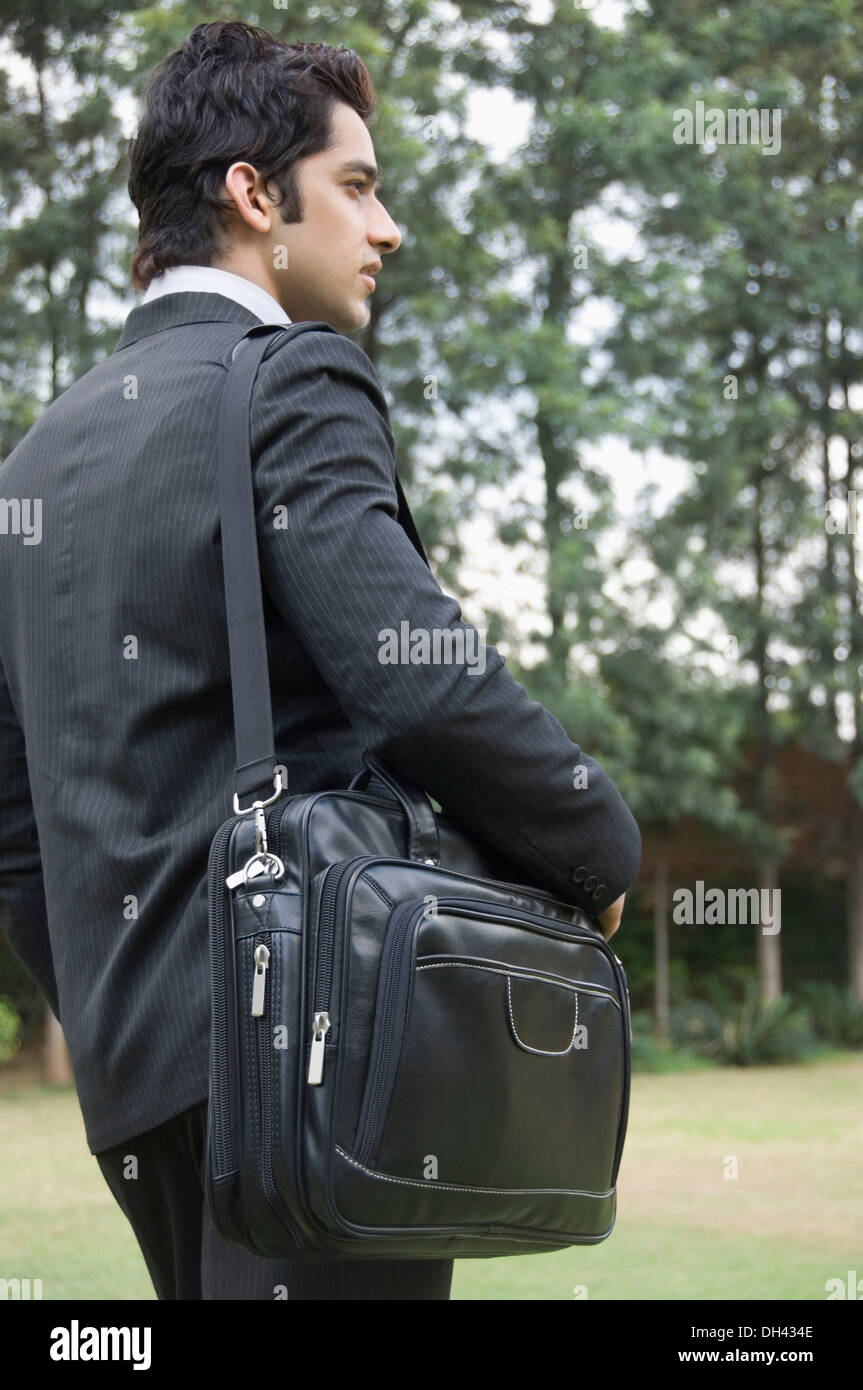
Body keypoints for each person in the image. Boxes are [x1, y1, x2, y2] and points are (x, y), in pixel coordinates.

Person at [0, 20, 639, 1300]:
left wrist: (125, 1015)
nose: (385, 226)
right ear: (253, 194)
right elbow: (409, 667)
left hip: (141, 1091)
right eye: (355, 184)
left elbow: (17, 830)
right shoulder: (291, 378)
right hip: (311, 1047)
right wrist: (595, 844)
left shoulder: (29, 471)